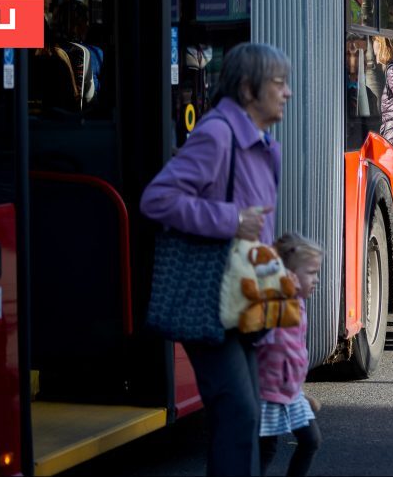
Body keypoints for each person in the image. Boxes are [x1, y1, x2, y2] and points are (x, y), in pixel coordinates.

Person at [140, 43, 290, 476]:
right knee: (239, 413)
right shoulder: (217, 134)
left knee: (257, 420)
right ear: (247, 89)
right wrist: (227, 219)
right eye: (279, 84)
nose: (288, 93)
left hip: (246, 299)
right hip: (212, 298)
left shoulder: (264, 145)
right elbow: (158, 199)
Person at [257, 233, 323, 477]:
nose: (316, 280)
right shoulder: (276, 301)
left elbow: (291, 353)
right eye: (311, 273)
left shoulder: (297, 302)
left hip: (291, 392)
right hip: (267, 393)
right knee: (266, 449)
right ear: (290, 274)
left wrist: (301, 392)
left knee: (311, 441)